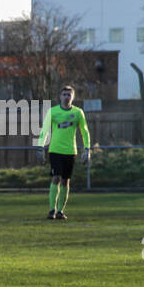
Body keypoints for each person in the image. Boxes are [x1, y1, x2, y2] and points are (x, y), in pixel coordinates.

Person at [38, 85, 91, 220]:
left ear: (73, 97)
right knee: (56, 177)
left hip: (70, 151)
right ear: (60, 96)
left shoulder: (78, 113)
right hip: (55, 150)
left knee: (66, 181)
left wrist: (87, 149)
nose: (67, 97)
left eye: (69, 94)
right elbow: (44, 130)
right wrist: (40, 146)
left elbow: (84, 131)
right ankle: (52, 210)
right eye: (64, 94)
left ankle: (61, 211)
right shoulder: (53, 112)